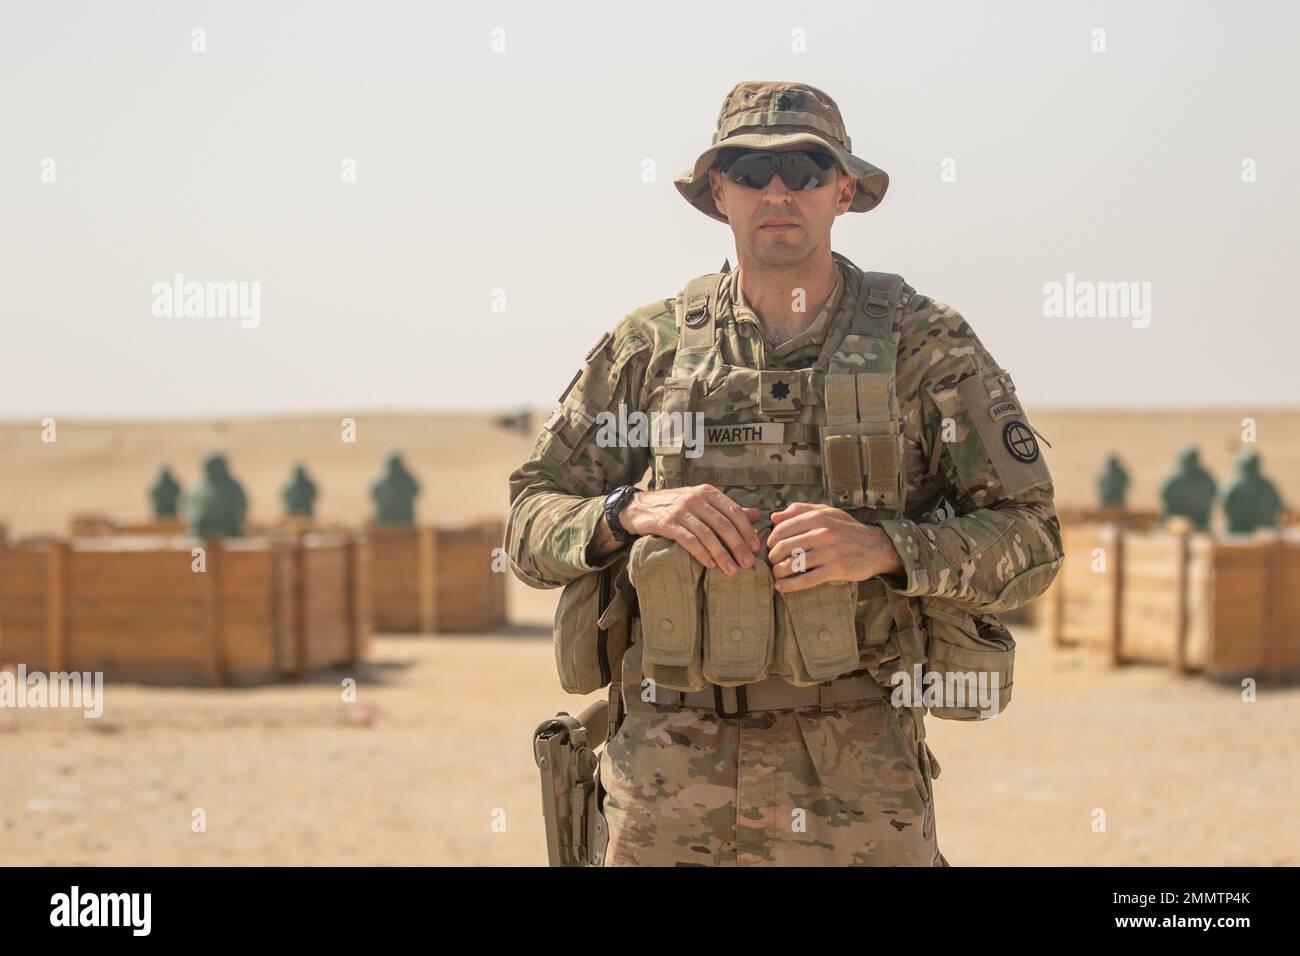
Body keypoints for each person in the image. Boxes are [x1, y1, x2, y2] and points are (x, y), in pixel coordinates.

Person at [508, 80, 1063, 866]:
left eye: (803, 168)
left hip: (858, 778)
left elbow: (1032, 538)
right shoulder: (651, 348)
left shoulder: (923, 346)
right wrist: (629, 511)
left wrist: (889, 549)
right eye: (749, 168)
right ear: (717, 191)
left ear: (843, 191)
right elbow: (529, 516)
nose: (777, 190)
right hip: (667, 778)